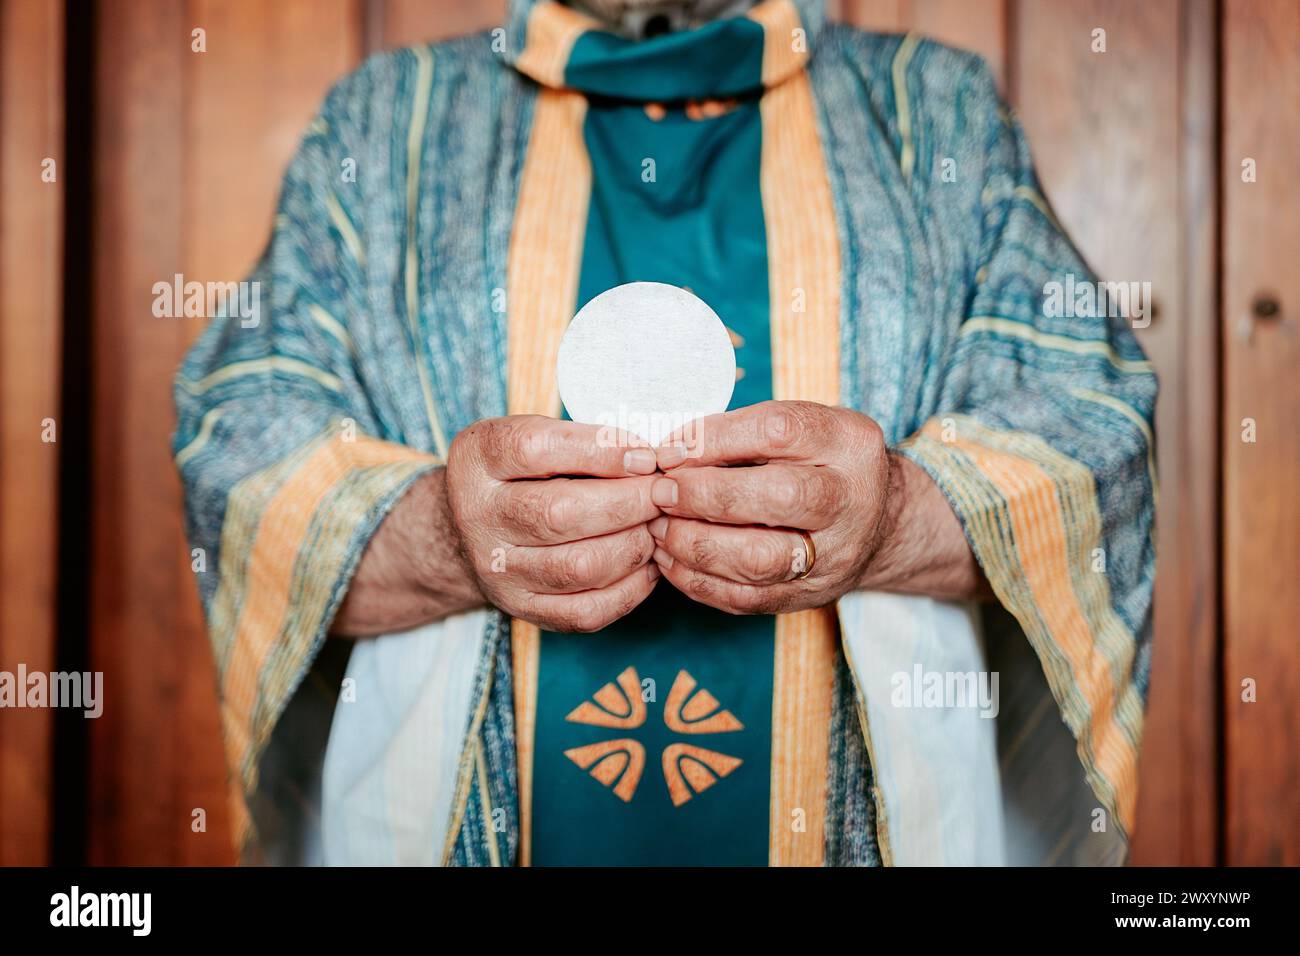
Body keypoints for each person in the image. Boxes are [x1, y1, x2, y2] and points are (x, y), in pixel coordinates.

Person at [173, 0, 1157, 866]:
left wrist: (896, 517)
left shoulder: (932, 110)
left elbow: (1087, 426)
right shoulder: (387, 123)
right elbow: (239, 436)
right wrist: (442, 534)